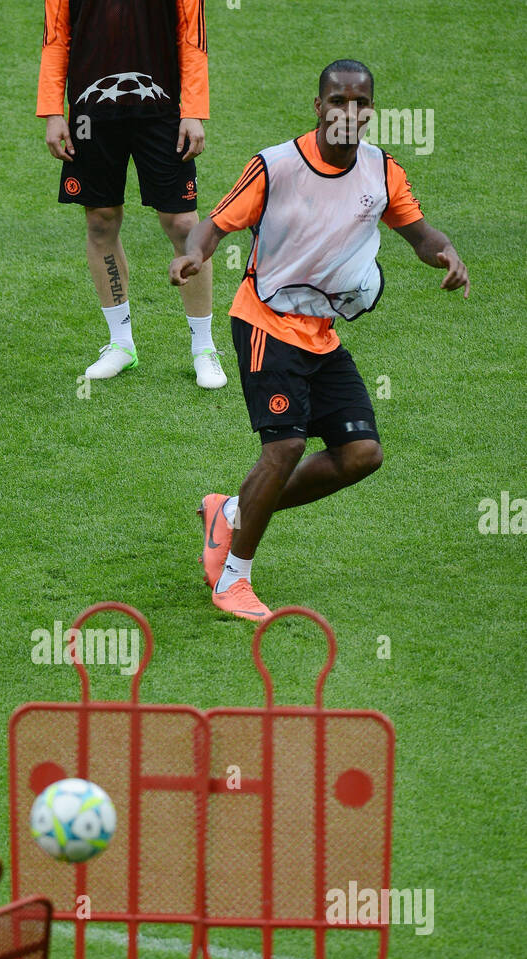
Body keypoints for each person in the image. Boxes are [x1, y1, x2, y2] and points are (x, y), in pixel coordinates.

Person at [170, 60, 470, 619]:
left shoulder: (383, 174)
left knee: (361, 454)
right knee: (283, 448)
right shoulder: (277, 166)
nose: (348, 114)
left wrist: (445, 254)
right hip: (265, 321)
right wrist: (193, 254)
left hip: (321, 335)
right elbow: (214, 225)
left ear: (370, 112)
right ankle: (233, 579)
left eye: (359, 104)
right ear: (319, 106)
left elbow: (421, 234)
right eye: (338, 101)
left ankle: (230, 511)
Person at [38, 0, 226, 389]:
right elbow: (57, 37)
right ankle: (121, 343)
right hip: (91, 112)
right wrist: (53, 111)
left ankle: (204, 348)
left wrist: (193, 110)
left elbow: (192, 36)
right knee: (100, 221)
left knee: (182, 223)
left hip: (162, 111)